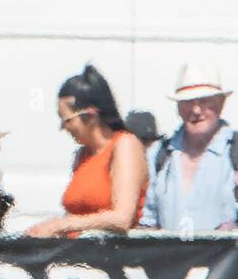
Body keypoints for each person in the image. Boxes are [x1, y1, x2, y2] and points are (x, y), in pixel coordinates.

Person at [27, 64, 147, 237]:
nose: (64, 128)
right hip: (79, 256)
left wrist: (63, 224)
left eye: (67, 120)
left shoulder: (124, 145)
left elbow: (122, 218)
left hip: (113, 258)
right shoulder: (82, 155)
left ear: (91, 115)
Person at [140, 64, 238, 233]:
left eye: (204, 101)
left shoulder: (234, 151)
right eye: (188, 102)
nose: (196, 110)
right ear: (178, 108)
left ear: (221, 103)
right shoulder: (159, 155)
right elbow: (148, 221)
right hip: (171, 259)